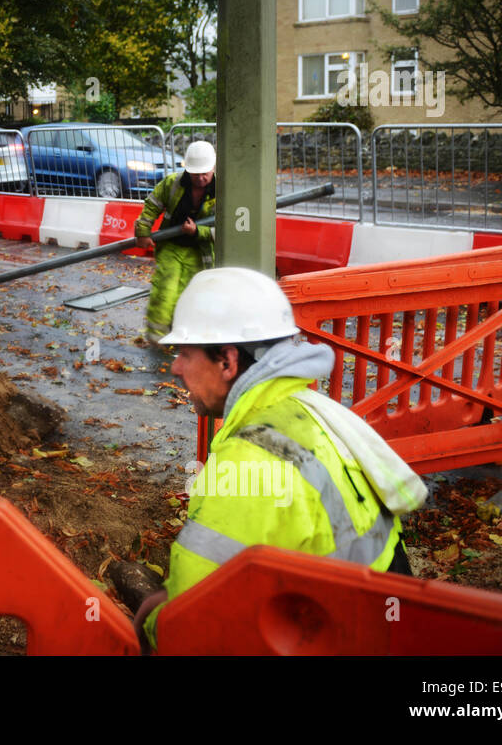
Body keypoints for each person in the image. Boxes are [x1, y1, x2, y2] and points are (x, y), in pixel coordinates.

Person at [133, 268, 426, 653]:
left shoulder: (249, 460)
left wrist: (150, 627)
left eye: (185, 353)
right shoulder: (309, 414)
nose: (175, 367)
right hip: (378, 624)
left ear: (227, 361)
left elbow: (193, 620)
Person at [135, 140, 216, 348]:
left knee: (187, 295)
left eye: (205, 172)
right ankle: (157, 338)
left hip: (199, 251)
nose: (201, 178)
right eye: (195, 173)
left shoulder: (223, 192)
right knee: (165, 290)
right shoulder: (172, 184)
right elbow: (151, 206)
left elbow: (225, 229)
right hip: (172, 246)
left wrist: (198, 231)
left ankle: (180, 335)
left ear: (214, 167)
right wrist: (143, 232)